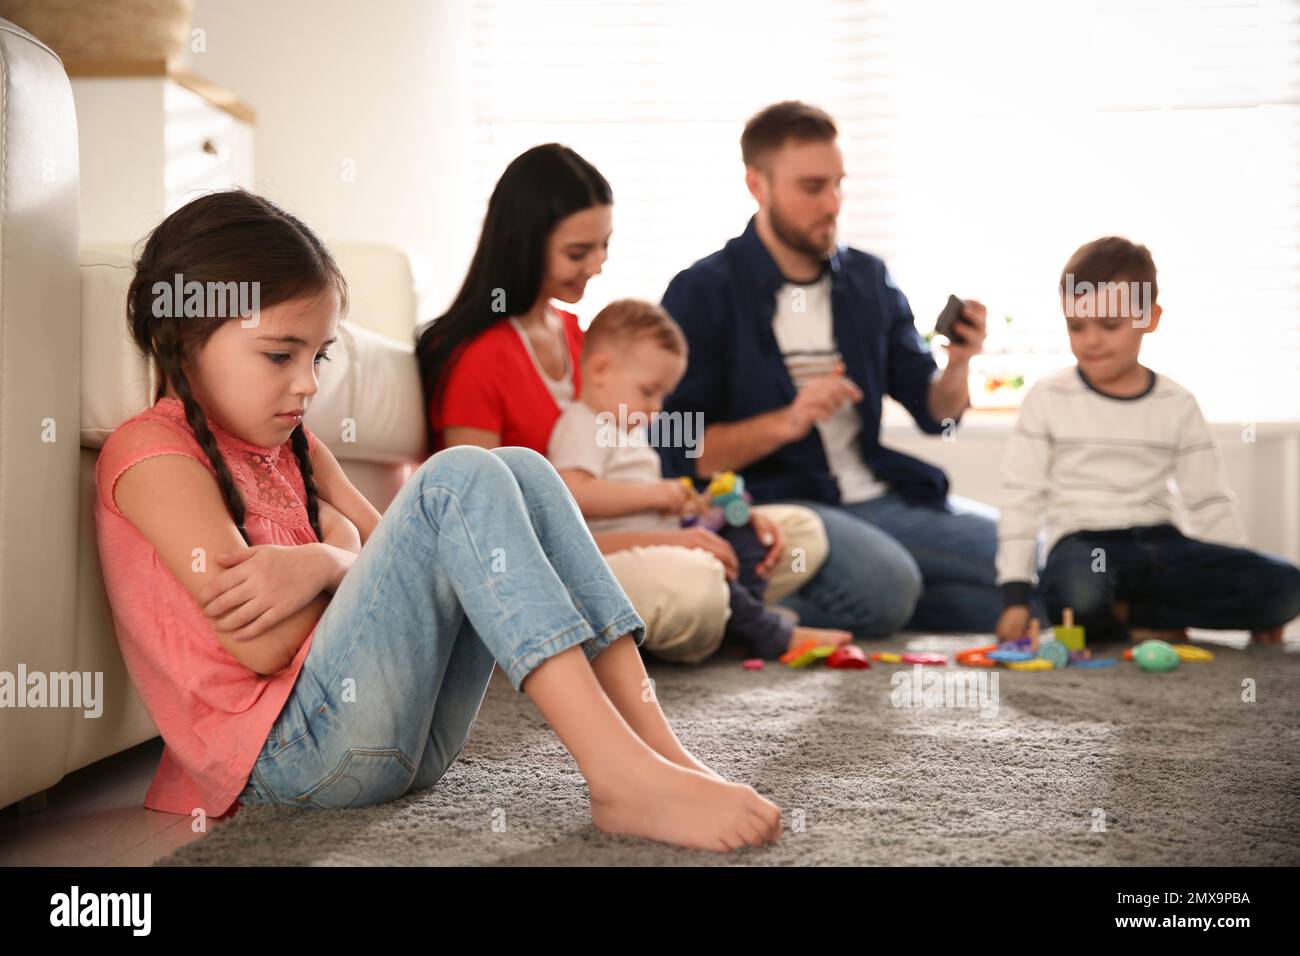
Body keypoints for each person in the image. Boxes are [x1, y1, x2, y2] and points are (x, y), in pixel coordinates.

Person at [95, 189, 783, 852]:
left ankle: (659, 755)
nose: (308, 383)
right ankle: (618, 777)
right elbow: (265, 646)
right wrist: (345, 547)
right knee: (457, 476)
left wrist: (327, 558)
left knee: (522, 469)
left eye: (319, 355)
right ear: (186, 335)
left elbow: (400, 558)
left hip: (400, 743)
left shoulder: (298, 446)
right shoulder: (156, 455)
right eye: (281, 355)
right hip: (288, 763)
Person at [417, 143, 831, 663]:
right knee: (693, 588)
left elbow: (630, 467)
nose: (596, 266)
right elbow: (489, 532)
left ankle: (729, 611)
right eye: (577, 252)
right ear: (523, 245)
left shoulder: (578, 337)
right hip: (548, 563)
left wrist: (705, 514)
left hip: (623, 537)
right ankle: (729, 612)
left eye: (604, 246)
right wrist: (662, 540)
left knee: (798, 533)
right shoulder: (475, 358)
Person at [659, 101, 1000, 637]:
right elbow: (677, 449)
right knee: (888, 586)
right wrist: (787, 421)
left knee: (1033, 563)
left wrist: (958, 364)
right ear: (758, 185)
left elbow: (939, 417)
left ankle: (854, 600)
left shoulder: (868, 279)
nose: (833, 204)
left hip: (878, 497)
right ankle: (743, 620)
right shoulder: (701, 293)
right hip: (779, 511)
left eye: (839, 184)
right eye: (813, 187)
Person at [995, 236, 1300, 644]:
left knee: (1286, 586)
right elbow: (1021, 495)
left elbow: (1208, 501)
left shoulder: (1177, 402)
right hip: (1085, 546)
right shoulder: (1047, 397)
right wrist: (1015, 593)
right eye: (1076, 326)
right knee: (1077, 591)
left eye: (1109, 325)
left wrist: (1237, 570)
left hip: (1162, 546)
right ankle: (1145, 620)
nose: (1091, 340)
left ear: (1149, 318)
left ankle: (1131, 618)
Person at [547, 298, 854, 660]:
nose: (657, 407)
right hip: (621, 554)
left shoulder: (626, 432)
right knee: (709, 566)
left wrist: (705, 505)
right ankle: (768, 632)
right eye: (648, 392)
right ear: (599, 371)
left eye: (664, 395)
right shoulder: (582, 424)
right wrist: (656, 496)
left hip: (664, 537)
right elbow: (572, 494)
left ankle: (744, 621)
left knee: (745, 537)